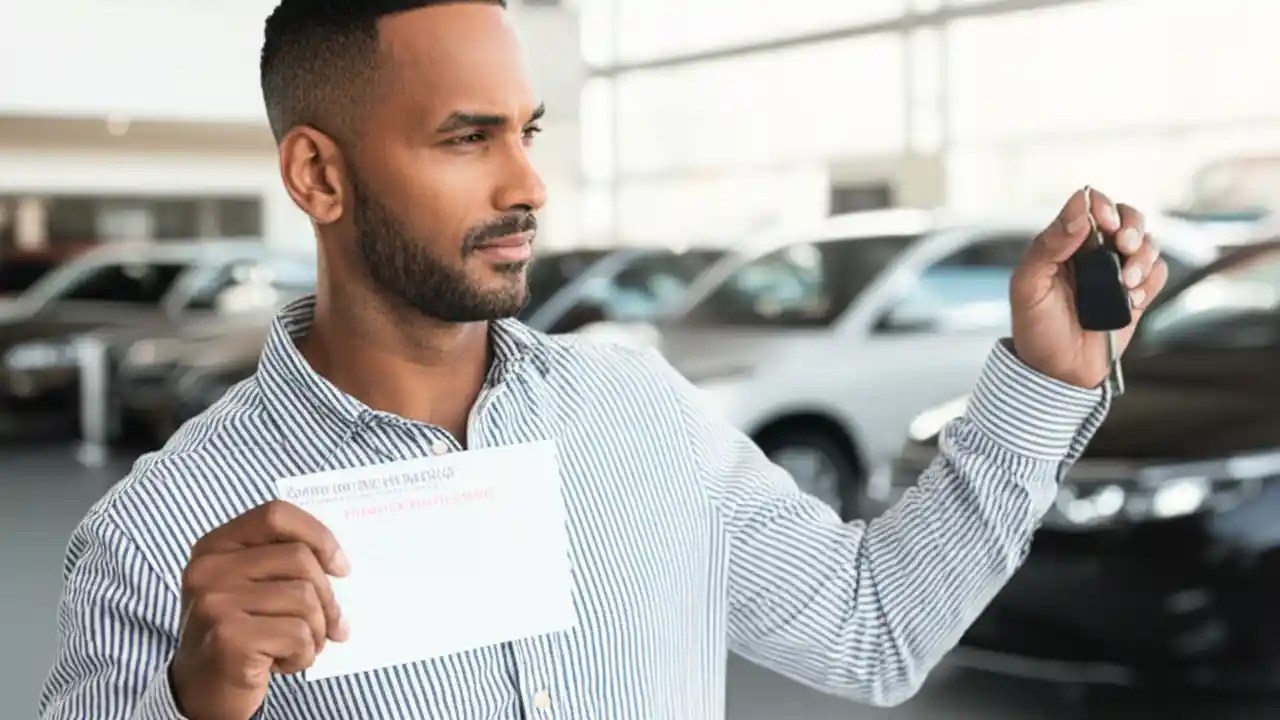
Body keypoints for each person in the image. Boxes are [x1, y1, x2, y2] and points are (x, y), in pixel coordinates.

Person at [38, 1, 1170, 719]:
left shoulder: (639, 414)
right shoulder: (159, 534)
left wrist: (1045, 377)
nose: (525, 182)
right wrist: (193, 706)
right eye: (465, 136)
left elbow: (871, 628)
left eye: (526, 132)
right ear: (318, 178)